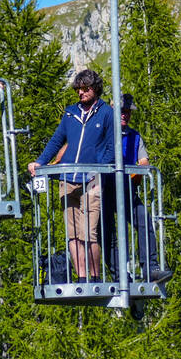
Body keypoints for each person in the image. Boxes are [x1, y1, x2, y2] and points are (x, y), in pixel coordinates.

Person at [27, 70, 115, 281]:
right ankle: (82, 277)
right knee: (73, 233)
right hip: (67, 179)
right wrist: (40, 162)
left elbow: (112, 147)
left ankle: (95, 277)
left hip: (92, 180)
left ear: (95, 89)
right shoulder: (70, 113)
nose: (81, 93)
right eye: (78, 89)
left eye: (85, 89)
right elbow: (57, 140)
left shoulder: (106, 114)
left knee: (89, 232)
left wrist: (99, 172)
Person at [108, 93, 171, 284]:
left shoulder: (134, 136)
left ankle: (150, 268)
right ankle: (119, 274)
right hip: (103, 189)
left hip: (126, 190)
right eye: (121, 111)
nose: (125, 115)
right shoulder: (104, 133)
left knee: (143, 219)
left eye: (128, 112)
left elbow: (144, 162)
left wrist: (130, 177)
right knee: (108, 231)